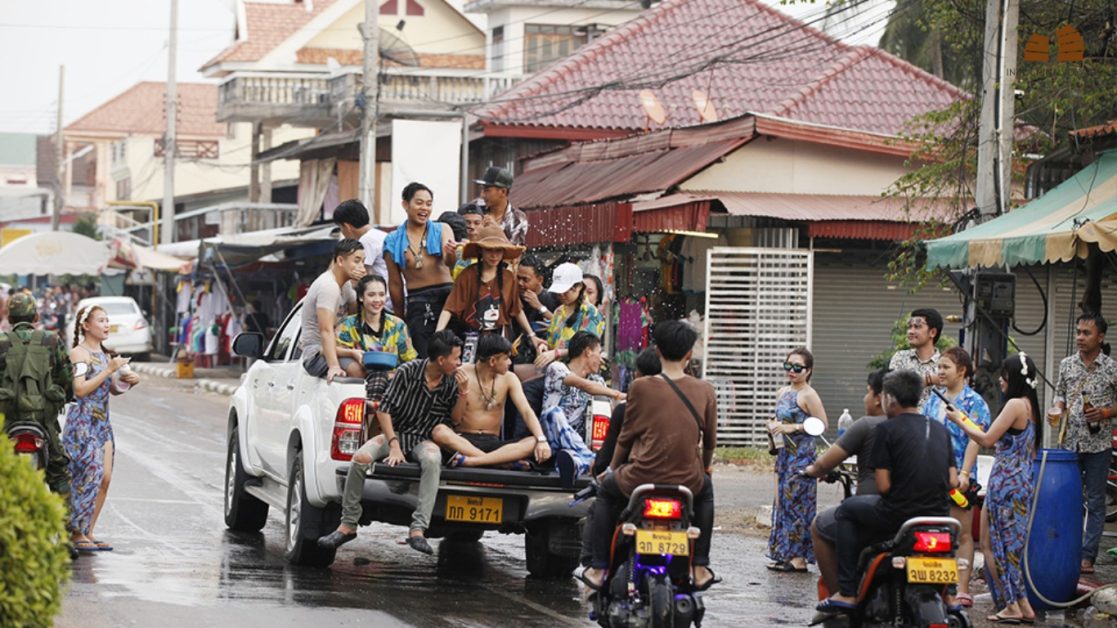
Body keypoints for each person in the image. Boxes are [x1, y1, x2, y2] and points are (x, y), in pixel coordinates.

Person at [577, 320, 718, 591]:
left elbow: (626, 437)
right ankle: (700, 566)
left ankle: (598, 568)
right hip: (688, 479)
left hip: (638, 477)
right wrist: (706, 469)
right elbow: (710, 442)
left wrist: (613, 469)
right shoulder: (705, 390)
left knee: (606, 493)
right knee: (707, 493)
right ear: (689, 354)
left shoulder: (640, 388)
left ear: (657, 350)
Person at [318, 331, 467, 555]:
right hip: (395, 433)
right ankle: (348, 525)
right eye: (456, 358)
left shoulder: (450, 382)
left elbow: (455, 419)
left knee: (433, 459)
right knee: (359, 459)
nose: (459, 363)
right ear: (441, 360)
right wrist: (394, 444)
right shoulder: (408, 372)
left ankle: (418, 529)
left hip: (424, 438)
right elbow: (384, 410)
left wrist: (463, 392)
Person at [818, 370, 955, 615]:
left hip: (897, 514)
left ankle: (847, 592)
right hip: (939, 517)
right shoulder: (939, 429)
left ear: (889, 399)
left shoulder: (886, 430)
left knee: (847, 510)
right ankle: (952, 595)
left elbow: (883, 486)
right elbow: (953, 480)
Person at [945, 353, 1042, 624]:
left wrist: (959, 421)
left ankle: (1012, 605)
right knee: (1002, 546)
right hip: (1020, 482)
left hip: (1007, 485)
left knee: (1002, 547)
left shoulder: (1014, 405)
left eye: (1004, 375)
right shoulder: (1031, 405)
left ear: (1014, 379)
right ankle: (1022, 605)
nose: (1000, 380)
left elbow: (987, 438)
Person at [804, 368, 889, 594]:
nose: (865, 398)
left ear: (880, 398)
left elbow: (825, 462)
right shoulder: (929, 427)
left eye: (867, 392)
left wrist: (811, 470)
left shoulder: (867, 425)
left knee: (820, 526)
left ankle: (841, 594)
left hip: (878, 510)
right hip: (922, 510)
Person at [64, 303, 141, 553]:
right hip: (83, 422)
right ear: (86, 326)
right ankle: (75, 531)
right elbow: (80, 389)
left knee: (104, 478)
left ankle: (88, 530)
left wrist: (128, 382)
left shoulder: (106, 355)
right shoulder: (79, 353)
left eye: (107, 320)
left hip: (102, 423)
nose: (106, 325)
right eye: (101, 320)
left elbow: (109, 389)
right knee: (88, 476)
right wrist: (109, 370)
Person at [921, 346, 991, 607]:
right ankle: (936, 585)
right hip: (932, 474)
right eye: (938, 367)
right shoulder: (933, 399)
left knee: (961, 534)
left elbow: (976, 438)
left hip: (961, 476)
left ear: (961, 371)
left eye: (945, 367)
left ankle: (962, 588)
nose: (940, 372)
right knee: (933, 531)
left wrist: (963, 473)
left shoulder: (975, 402)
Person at [1050, 312, 1117, 574]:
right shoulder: (1067, 364)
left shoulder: (1111, 368)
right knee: (1069, 499)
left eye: (1086, 333)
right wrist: (1057, 409)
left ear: (1100, 337)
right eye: (1078, 332)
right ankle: (1068, 549)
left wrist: (1104, 413)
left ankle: (1088, 556)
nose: (1080, 337)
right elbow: (1060, 395)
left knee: (1096, 501)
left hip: (1099, 445)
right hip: (1069, 444)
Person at [433, 334, 552, 469]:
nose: (510, 363)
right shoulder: (461, 373)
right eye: (506, 358)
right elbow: (455, 420)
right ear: (492, 361)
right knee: (439, 432)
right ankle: (501, 463)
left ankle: (475, 461)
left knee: (533, 441)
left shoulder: (509, 378)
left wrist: (542, 439)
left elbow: (526, 411)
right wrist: (463, 392)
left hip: (493, 444)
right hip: (463, 441)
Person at [0, 293, 73, 500]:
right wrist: (62, 397)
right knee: (59, 472)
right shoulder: (52, 340)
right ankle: (68, 527)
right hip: (42, 422)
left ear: (9, 318)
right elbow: (66, 380)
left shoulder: (1, 342)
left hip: (6, 421)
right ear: (36, 318)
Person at [435, 224, 547, 356]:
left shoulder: (508, 277)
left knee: (502, 373)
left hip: (500, 337)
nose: (494, 256)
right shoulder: (467, 275)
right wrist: (438, 334)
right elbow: (450, 307)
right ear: (481, 250)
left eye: (498, 250)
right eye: (489, 250)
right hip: (472, 337)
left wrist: (532, 335)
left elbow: (517, 310)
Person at [767, 347, 828, 572]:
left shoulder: (809, 394)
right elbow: (778, 418)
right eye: (788, 366)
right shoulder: (783, 392)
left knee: (798, 505)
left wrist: (794, 427)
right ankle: (783, 553)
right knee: (782, 503)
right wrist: (773, 426)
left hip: (802, 457)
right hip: (784, 455)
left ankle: (799, 558)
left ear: (808, 370)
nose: (791, 371)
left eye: (797, 367)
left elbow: (822, 425)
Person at [538, 331, 625, 487]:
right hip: (551, 433)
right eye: (599, 352)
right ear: (587, 351)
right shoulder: (556, 368)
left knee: (570, 460)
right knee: (554, 413)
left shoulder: (598, 380)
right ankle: (589, 459)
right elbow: (583, 385)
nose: (601, 359)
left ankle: (578, 464)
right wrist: (618, 394)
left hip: (576, 445)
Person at [384, 182, 456, 358]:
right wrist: (400, 319)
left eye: (429, 203)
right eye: (419, 202)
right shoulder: (392, 240)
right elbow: (395, 283)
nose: (425, 208)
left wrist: (451, 253)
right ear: (405, 204)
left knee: (454, 351)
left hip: (449, 297)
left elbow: (450, 263)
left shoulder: (442, 229)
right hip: (418, 300)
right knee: (426, 356)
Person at [300, 239, 365, 382]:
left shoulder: (345, 284)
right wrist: (334, 366)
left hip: (339, 347)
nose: (362, 268)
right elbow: (326, 330)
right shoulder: (328, 286)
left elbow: (355, 317)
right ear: (340, 261)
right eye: (357, 261)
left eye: (363, 262)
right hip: (316, 354)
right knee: (357, 370)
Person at [592, 347, 661, 476]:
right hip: (679, 479)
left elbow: (606, 459)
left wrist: (599, 467)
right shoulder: (681, 407)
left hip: (633, 479)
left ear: (637, 375)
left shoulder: (626, 410)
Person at [335, 275, 417, 379]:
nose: (377, 300)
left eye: (381, 295)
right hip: (360, 381)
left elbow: (410, 359)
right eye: (371, 295)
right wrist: (352, 353)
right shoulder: (348, 324)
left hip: (394, 381)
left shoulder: (397, 325)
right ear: (361, 297)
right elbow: (332, 349)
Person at [534, 263, 605, 369]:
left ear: (579, 287)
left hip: (578, 373)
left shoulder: (591, 313)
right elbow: (553, 343)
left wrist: (557, 353)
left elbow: (586, 349)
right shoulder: (558, 311)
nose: (561, 295)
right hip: (555, 369)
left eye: (565, 291)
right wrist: (544, 347)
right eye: (558, 292)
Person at [333, 198, 393, 313]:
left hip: (382, 302)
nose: (343, 233)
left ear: (347, 226)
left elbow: (359, 276)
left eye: (341, 228)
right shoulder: (380, 235)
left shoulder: (366, 240)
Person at [889, 308, 944, 407]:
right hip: (905, 419)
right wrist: (929, 380)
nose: (910, 331)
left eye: (917, 327)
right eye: (909, 327)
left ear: (932, 332)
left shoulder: (945, 363)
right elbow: (892, 390)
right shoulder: (900, 357)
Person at [475, 166, 528, 246]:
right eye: (482, 190)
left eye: (487, 190)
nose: (482, 195)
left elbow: (515, 253)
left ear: (503, 192)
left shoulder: (518, 219)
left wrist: (496, 230)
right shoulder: (475, 209)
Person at [452, 203, 485, 280]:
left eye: (477, 223)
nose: (472, 227)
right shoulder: (452, 247)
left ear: (483, 224)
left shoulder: (489, 248)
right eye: (467, 222)